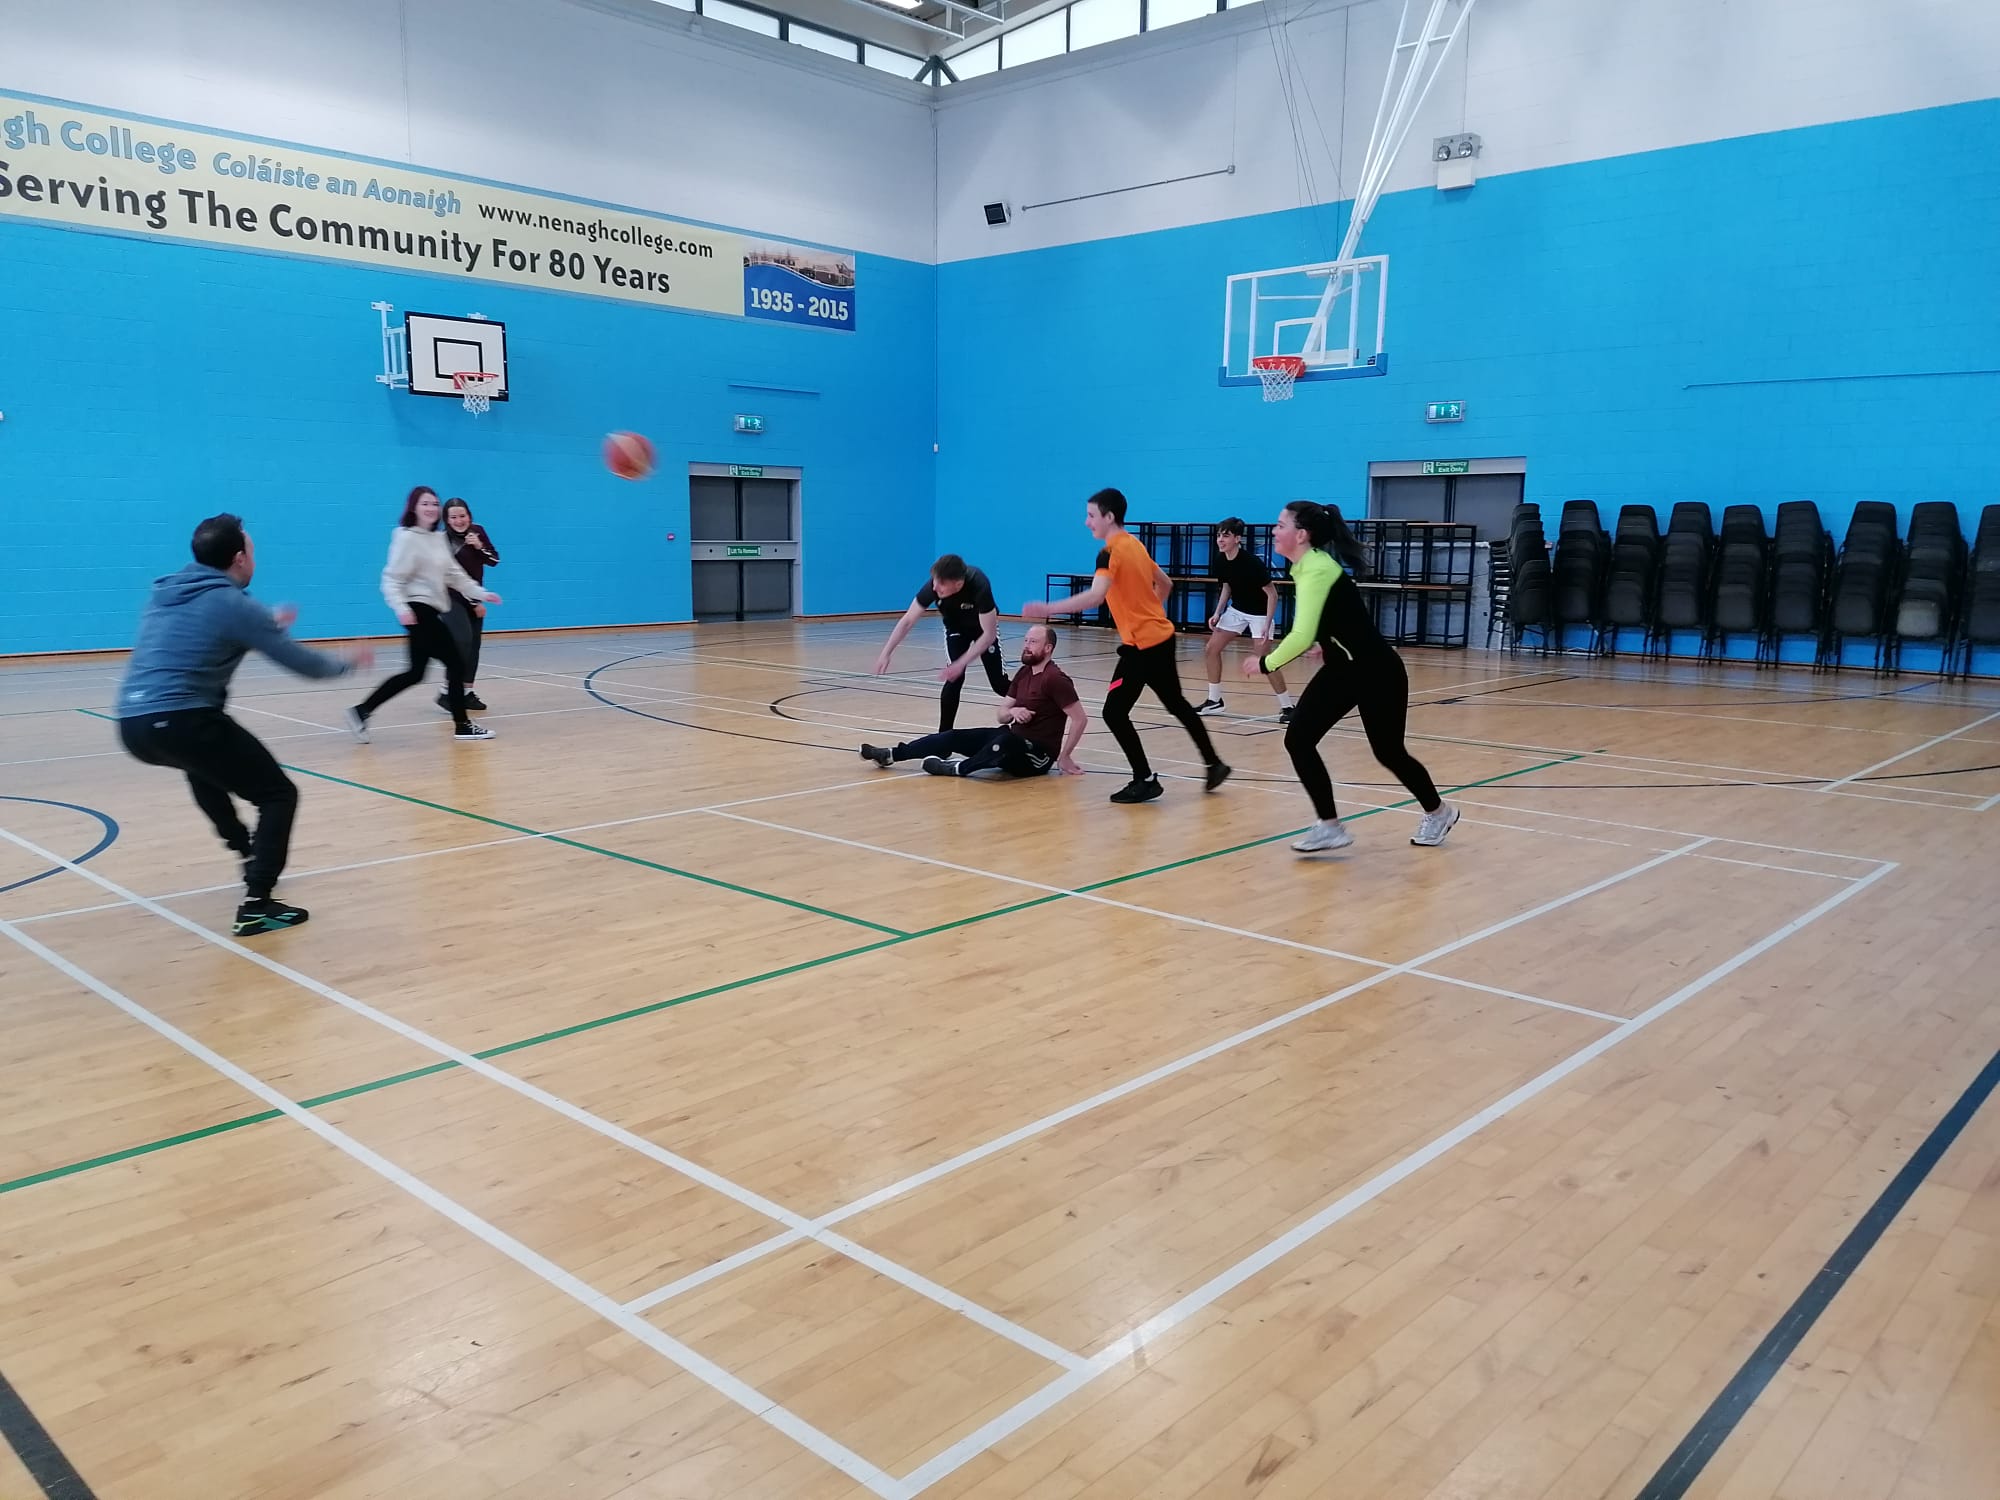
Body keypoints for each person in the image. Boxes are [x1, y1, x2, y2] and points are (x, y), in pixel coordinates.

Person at [115, 513, 374, 936]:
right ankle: (257, 903)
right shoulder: (234, 605)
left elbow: (204, 632)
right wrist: (347, 665)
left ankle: (246, 851)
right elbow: (302, 664)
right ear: (238, 559)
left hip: (133, 723)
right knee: (278, 794)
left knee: (203, 767)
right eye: (252, 550)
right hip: (183, 718)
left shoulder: (169, 593)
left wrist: (264, 626)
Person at [1243, 501, 1459, 852]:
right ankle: (1329, 826)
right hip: (1345, 669)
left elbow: (1299, 635)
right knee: (1298, 738)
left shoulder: (1316, 569)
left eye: (1280, 524)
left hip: (1377, 672)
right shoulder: (1306, 567)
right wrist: (1326, 643)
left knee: (1389, 752)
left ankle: (1439, 812)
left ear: (1301, 535)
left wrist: (1264, 663)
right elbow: (1334, 618)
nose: (1274, 530)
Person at [1023, 488, 1230, 803]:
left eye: (1091, 515)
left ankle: (1145, 779)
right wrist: (1149, 614)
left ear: (1109, 516)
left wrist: (1047, 609)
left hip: (1143, 647)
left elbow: (1095, 596)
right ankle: (1214, 764)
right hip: (1161, 639)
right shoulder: (1135, 545)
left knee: (1114, 713)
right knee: (1177, 704)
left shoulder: (1109, 553)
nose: (1086, 522)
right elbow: (1166, 584)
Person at [347, 486, 500, 743]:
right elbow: (391, 578)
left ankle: (361, 711)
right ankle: (462, 725)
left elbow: (454, 575)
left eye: (434, 504)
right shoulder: (406, 537)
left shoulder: (437, 540)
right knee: (454, 663)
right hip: (418, 610)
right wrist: (401, 607)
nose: (431, 508)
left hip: (430, 610)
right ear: (414, 507)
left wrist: (481, 593)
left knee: (416, 672)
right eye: (425, 503)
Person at [859, 623, 1086, 779]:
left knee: (1006, 743)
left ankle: (958, 769)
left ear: (1048, 648)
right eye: (1026, 640)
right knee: (954, 736)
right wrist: (1013, 711)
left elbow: (1080, 719)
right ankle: (890, 755)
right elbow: (1002, 713)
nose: (1026, 645)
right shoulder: (1024, 673)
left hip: (1038, 755)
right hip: (1013, 738)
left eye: (1033, 642)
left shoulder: (1055, 679)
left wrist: (1064, 756)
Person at [873, 554, 1009, 731]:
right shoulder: (933, 587)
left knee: (998, 684)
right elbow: (907, 621)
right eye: (934, 581)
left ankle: (1036, 706)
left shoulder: (979, 585)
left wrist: (961, 663)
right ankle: (943, 737)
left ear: (958, 584)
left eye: (942, 583)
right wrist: (886, 653)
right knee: (954, 679)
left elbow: (989, 635)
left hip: (983, 630)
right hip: (956, 629)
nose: (935, 587)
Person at [1201, 517, 1295, 722]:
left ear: (1237, 538)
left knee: (1265, 660)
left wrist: (1268, 622)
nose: (1220, 539)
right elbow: (1227, 587)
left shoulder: (1252, 563)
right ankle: (1214, 700)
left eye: (1225, 535)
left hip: (1261, 614)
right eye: (1218, 535)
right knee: (1211, 649)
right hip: (1237, 610)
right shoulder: (1220, 560)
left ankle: (1288, 707)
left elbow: (1272, 594)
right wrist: (1218, 612)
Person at [440, 497, 499, 714]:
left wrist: (479, 546)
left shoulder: (478, 531)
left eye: (462, 516)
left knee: (474, 644)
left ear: (469, 516)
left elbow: (494, 560)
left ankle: (466, 693)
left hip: (475, 596)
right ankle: (446, 692)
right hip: (451, 598)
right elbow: (451, 578)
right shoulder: (442, 541)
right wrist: (473, 602)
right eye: (453, 517)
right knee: (462, 640)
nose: (459, 520)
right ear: (446, 520)